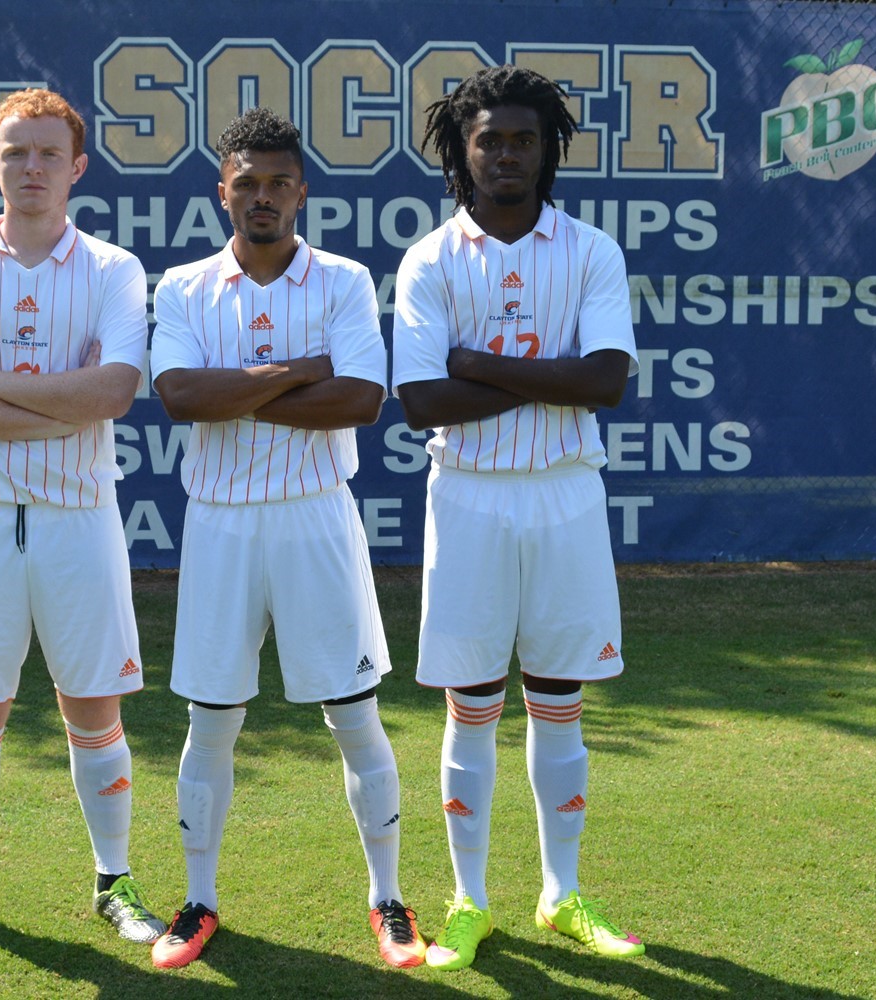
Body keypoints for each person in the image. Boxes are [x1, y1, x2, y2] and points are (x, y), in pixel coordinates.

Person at [144, 107, 423, 971]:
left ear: (300, 191)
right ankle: (198, 902)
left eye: (277, 183)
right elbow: (181, 398)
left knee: (354, 714)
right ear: (221, 191)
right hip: (221, 521)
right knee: (211, 718)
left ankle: (387, 900)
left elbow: (361, 401)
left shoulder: (340, 280)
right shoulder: (184, 287)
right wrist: (301, 369)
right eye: (245, 183)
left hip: (314, 516)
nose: (261, 197)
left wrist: (243, 389)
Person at [0, 88, 164, 959]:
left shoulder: (114, 270)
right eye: (17, 153)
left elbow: (115, 391)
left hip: (78, 515)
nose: (34, 169)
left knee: (95, 708)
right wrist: (61, 403)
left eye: (50, 154)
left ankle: (114, 883)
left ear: (77, 167)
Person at [391, 65, 647, 971]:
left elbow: (605, 382)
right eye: (489, 138)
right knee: (472, 705)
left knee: (561, 702)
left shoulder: (590, 252)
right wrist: (542, 377)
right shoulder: (430, 258)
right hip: (467, 498)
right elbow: (423, 402)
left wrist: (478, 363)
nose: (507, 153)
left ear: (548, 150)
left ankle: (562, 893)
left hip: (565, 493)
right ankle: (469, 900)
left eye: (524, 139)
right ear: (463, 151)